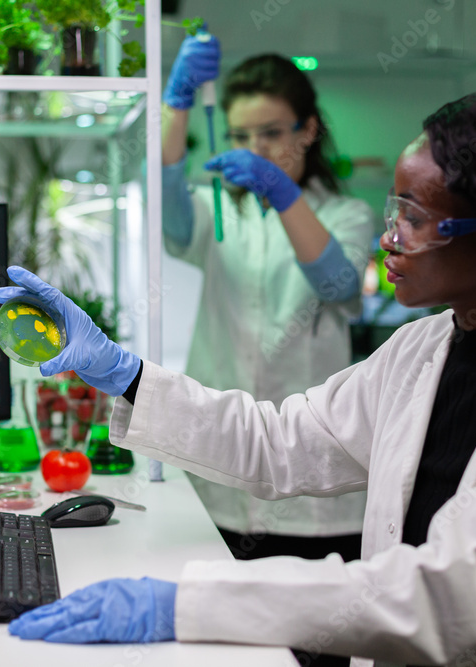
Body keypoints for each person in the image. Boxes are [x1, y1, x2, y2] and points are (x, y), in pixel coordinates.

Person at [0, 88, 476, 666]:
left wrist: (187, 603)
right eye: (393, 209)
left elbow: (457, 598)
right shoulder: (420, 351)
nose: (389, 237)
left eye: (414, 217)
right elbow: (278, 443)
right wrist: (122, 372)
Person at [161, 35, 376, 565]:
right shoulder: (216, 211)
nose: (256, 149)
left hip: (316, 494)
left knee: (314, 638)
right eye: (239, 135)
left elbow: (338, 286)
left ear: (308, 129)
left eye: (272, 133)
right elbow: (164, 192)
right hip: (220, 482)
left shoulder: (345, 214)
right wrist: (177, 104)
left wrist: (282, 193)